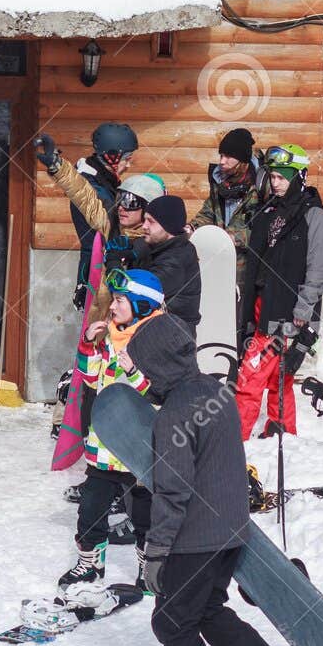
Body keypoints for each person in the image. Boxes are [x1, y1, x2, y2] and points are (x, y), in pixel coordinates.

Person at [127, 313, 299, 646]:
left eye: (147, 368)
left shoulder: (173, 415)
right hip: (229, 533)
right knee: (208, 612)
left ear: (161, 363)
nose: (145, 378)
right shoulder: (216, 394)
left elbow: (173, 490)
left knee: (171, 621)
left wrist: (157, 550)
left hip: (195, 538)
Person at [58, 269, 164, 590]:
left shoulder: (157, 342)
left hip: (139, 452)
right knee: (91, 510)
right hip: (105, 449)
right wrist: (89, 345)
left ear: (142, 305)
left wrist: (133, 371)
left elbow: (158, 394)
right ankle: (90, 565)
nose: (113, 307)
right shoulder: (111, 337)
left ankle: (150, 571)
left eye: (120, 300)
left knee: (145, 517)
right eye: (114, 300)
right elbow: (92, 380)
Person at [235, 144, 323, 438]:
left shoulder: (313, 216)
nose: (275, 183)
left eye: (281, 177)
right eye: (272, 176)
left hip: (288, 312)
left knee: (249, 376)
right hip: (261, 304)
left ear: (299, 176)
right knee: (280, 376)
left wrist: (303, 312)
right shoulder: (269, 211)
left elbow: (320, 269)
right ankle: (281, 430)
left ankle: (232, 439)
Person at [47, 122, 138, 311]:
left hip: (104, 266)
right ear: (111, 156)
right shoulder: (93, 185)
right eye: (127, 158)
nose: (129, 164)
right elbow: (104, 219)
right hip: (98, 273)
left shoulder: (102, 179)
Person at [188, 127, 266, 251]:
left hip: (249, 262)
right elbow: (209, 213)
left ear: (242, 160)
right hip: (222, 258)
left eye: (228, 156)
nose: (222, 161)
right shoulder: (219, 182)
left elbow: (265, 227)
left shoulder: (261, 184)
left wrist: (235, 238)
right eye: (221, 155)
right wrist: (192, 227)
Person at [140, 194, 201, 329]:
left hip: (173, 341)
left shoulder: (176, 260)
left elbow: (138, 294)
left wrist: (113, 261)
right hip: (162, 331)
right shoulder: (163, 248)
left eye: (151, 221)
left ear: (168, 225)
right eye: (144, 220)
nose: (144, 226)